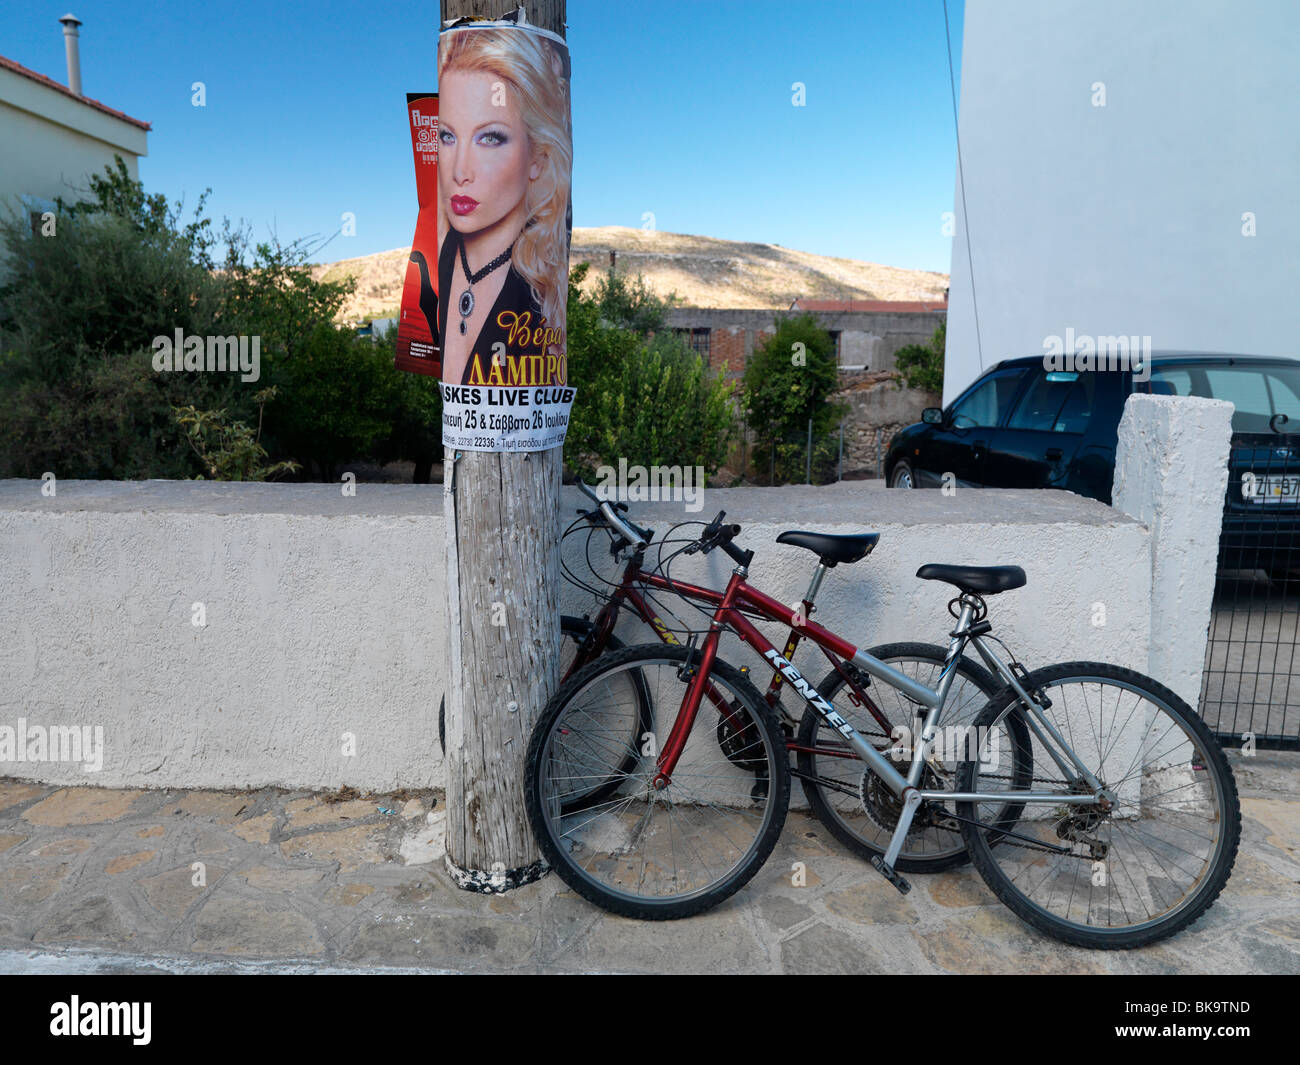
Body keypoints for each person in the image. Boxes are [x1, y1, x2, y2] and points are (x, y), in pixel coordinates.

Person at [437, 26, 571, 387]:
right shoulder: (438, 258)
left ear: (537, 156)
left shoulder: (541, 293)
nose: (460, 171)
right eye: (448, 136)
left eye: (490, 138)